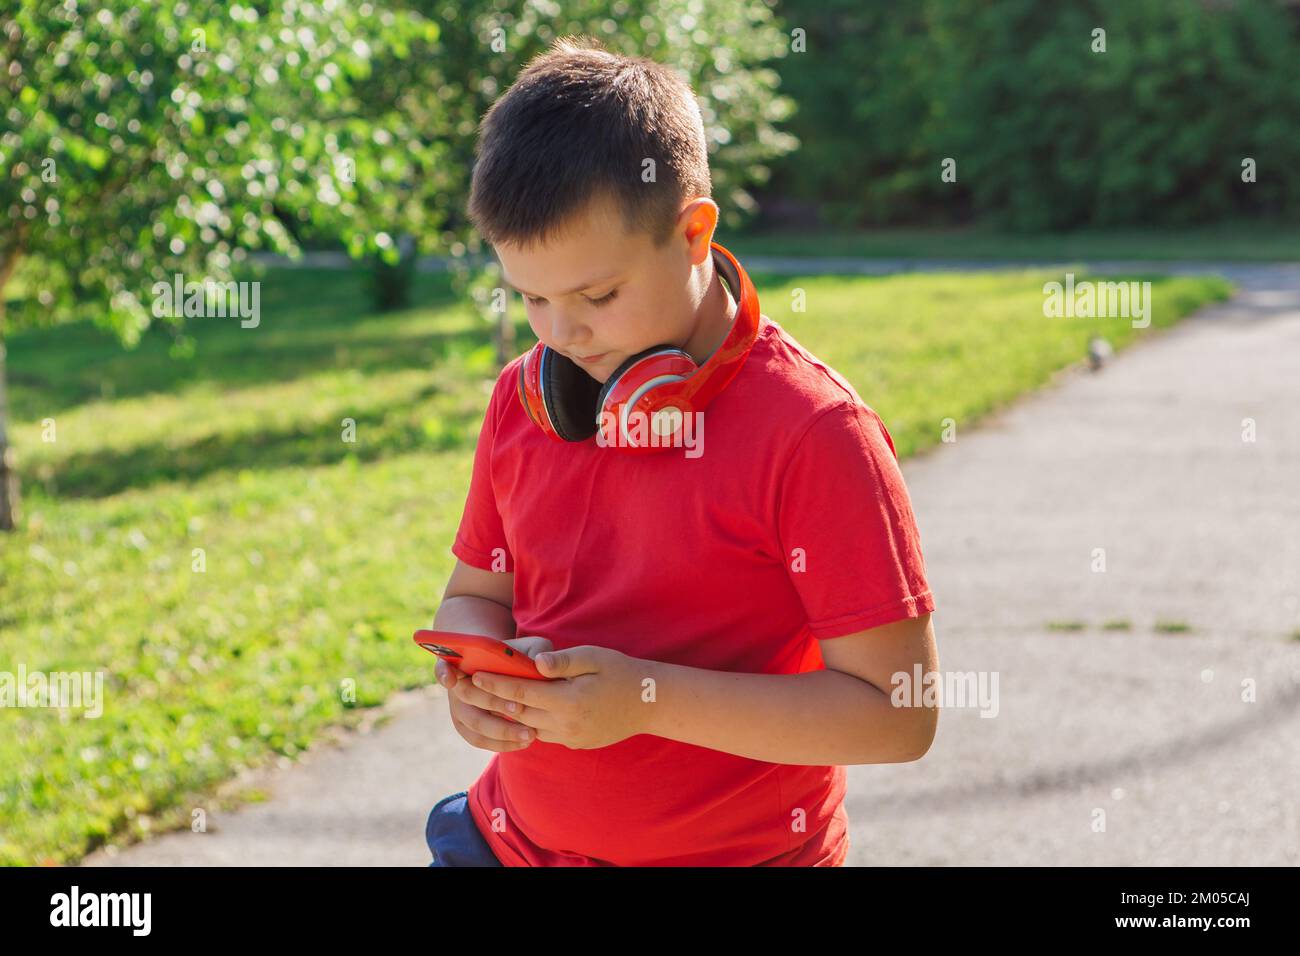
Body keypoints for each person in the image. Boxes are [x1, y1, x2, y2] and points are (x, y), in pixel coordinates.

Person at [424, 34, 938, 868]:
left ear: (694, 230)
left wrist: (647, 700)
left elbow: (898, 715)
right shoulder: (525, 397)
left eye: (598, 294)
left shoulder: (814, 433)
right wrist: (472, 679)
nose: (562, 334)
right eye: (531, 299)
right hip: (506, 843)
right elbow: (475, 598)